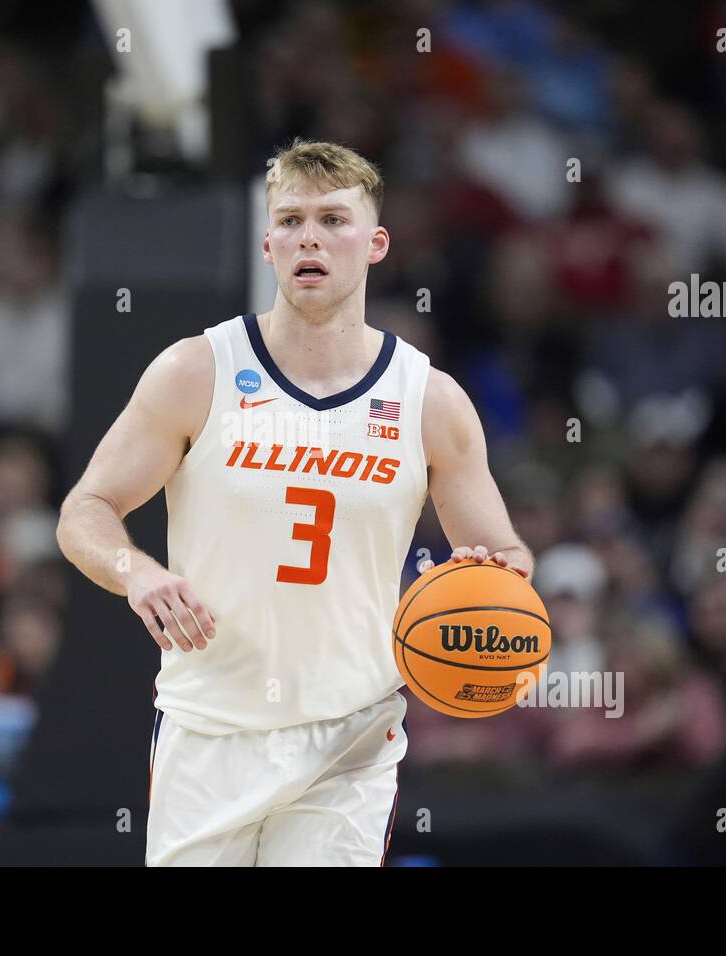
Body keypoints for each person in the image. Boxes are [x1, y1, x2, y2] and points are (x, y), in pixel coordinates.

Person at [57, 139, 532, 866]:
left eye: (334, 220)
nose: (310, 236)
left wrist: (489, 575)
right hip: (211, 727)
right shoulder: (197, 371)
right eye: (291, 220)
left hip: (349, 736)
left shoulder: (429, 400)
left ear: (376, 244)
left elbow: (508, 556)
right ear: (268, 243)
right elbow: (85, 509)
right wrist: (135, 571)